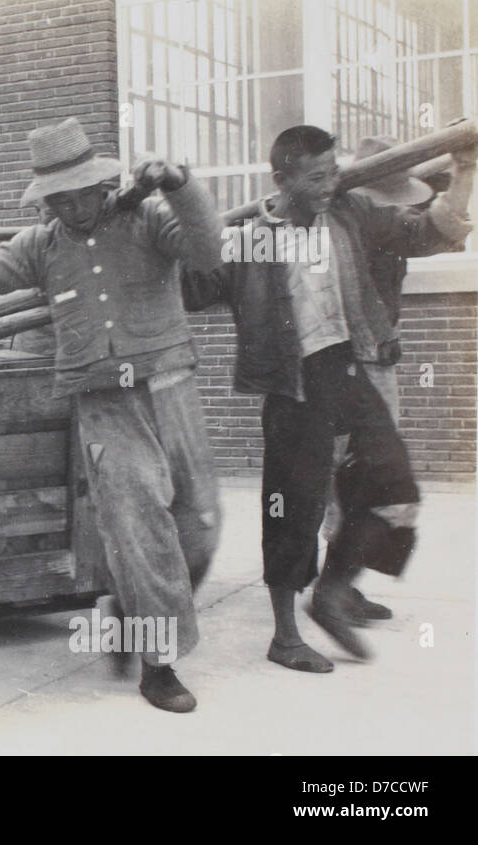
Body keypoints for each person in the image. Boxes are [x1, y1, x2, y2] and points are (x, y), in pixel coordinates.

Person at [0, 118, 225, 713]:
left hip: (169, 382)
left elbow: (208, 250)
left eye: (78, 195)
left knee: (199, 523)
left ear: (102, 184)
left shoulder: (148, 218)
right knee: (140, 527)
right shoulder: (40, 247)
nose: (70, 208)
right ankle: (158, 664)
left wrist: (178, 184)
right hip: (104, 401)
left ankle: (128, 606)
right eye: (57, 200)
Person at [182, 125, 474, 669]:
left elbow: (426, 233)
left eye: (334, 173)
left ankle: (333, 593)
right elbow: (191, 289)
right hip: (291, 383)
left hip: (347, 365)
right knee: (292, 509)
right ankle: (285, 637)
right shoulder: (246, 239)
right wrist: (184, 218)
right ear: (281, 179)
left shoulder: (349, 213)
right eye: (316, 177)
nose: (329, 185)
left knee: (394, 487)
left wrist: (465, 172)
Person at [317, 136, 461, 623]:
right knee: (346, 474)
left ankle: (343, 580)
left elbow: (432, 231)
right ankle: (334, 584)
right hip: (343, 362)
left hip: (376, 359)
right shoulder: (343, 222)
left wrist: (461, 172)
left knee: (369, 477)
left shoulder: (382, 222)